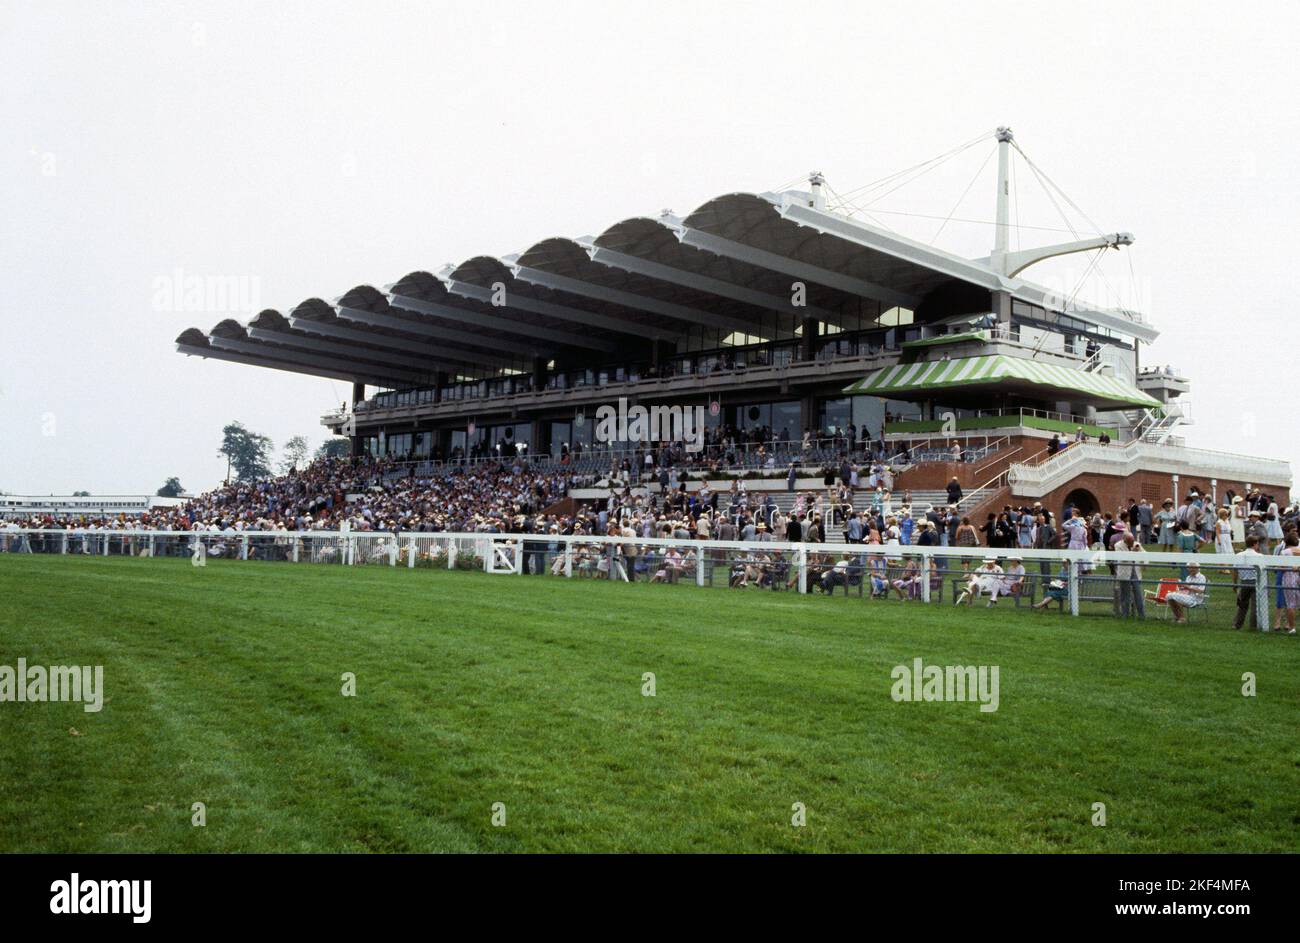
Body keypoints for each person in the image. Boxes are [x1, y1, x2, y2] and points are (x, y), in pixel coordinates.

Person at [1232, 536, 1263, 630]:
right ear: (1254, 544)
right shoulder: (1259, 556)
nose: (1258, 545)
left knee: (1242, 605)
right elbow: (1262, 571)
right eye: (1257, 543)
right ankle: (1253, 625)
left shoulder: (1239, 555)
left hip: (1243, 582)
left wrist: (1235, 583)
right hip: (1255, 582)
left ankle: (1237, 624)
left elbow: (1235, 570)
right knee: (1255, 606)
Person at [1114, 533, 1145, 619]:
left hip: (1135, 572)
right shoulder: (1118, 545)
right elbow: (1122, 558)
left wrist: (1144, 563)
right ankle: (1125, 615)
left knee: (1138, 594)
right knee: (1125, 595)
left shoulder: (1137, 544)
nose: (1132, 544)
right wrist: (1133, 552)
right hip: (1124, 573)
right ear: (1125, 540)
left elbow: (1145, 554)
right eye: (1130, 542)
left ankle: (1142, 615)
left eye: (1133, 541)